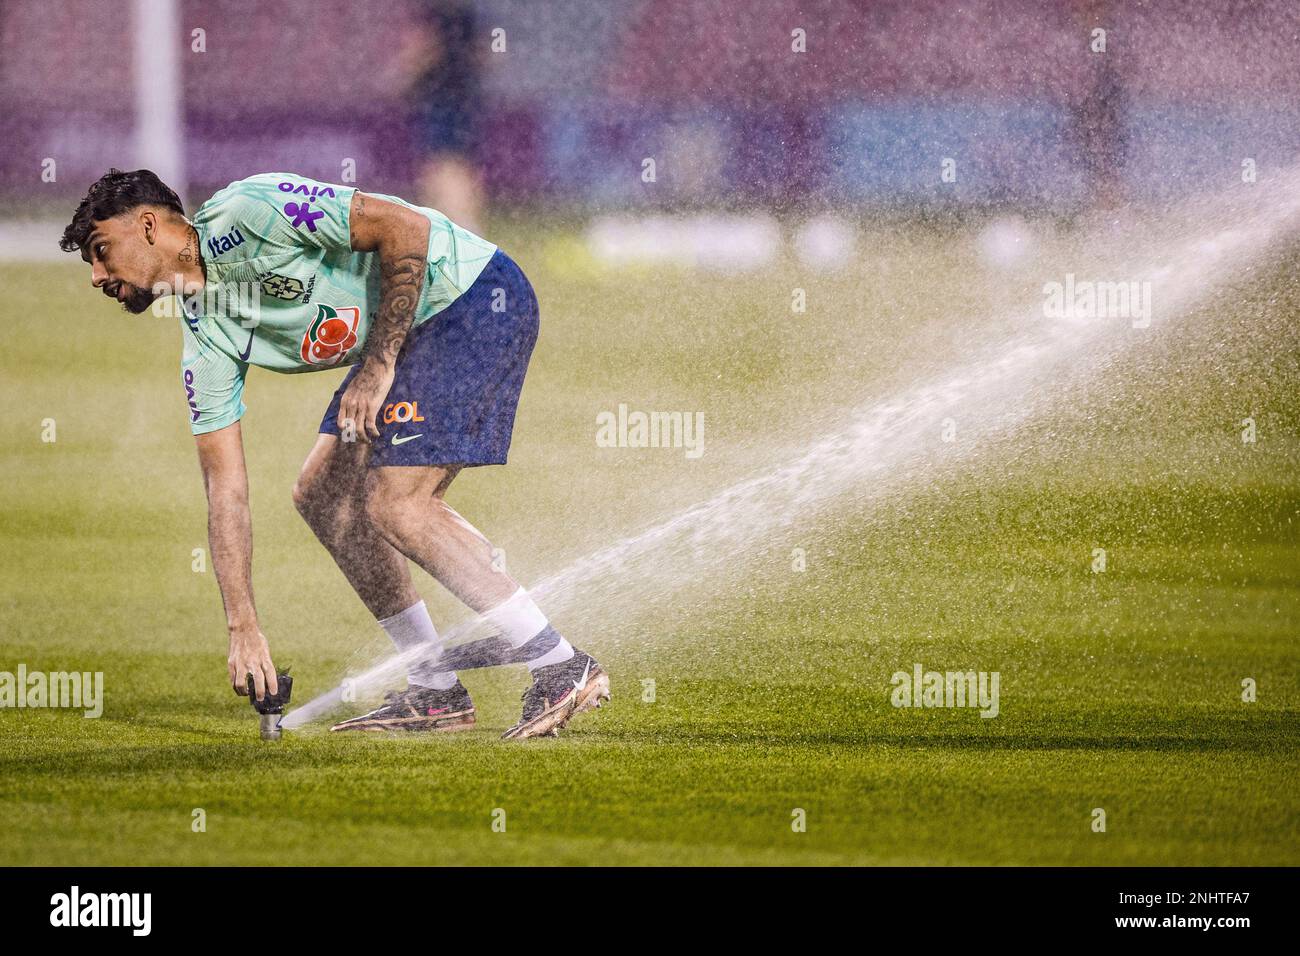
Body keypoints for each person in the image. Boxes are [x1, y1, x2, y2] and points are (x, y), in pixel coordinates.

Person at [58, 168, 608, 740]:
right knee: (323, 495)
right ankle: (436, 689)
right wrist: (243, 626)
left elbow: (405, 226)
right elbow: (227, 490)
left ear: (148, 226)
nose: (97, 276)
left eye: (101, 251)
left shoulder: (248, 211)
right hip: (407, 339)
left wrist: (377, 363)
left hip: (468, 302)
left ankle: (561, 666)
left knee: (399, 505)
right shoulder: (205, 332)